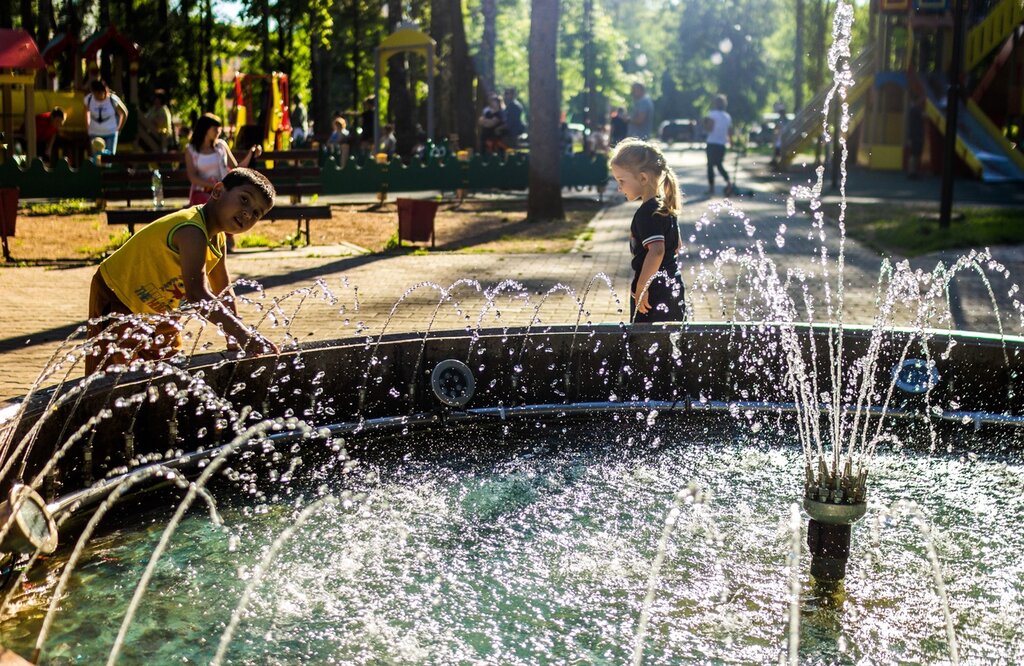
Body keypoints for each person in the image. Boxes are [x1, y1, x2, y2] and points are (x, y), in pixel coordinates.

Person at [86, 168, 279, 373]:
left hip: (160, 313)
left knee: (169, 372)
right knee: (110, 377)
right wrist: (243, 335)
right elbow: (197, 294)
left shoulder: (217, 239)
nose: (247, 213)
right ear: (218, 191)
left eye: (256, 213)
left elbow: (223, 291)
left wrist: (233, 335)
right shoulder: (191, 229)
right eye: (244, 200)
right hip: (118, 295)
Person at [609, 138, 686, 324]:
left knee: (643, 344)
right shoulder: (664, 207)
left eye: (621, 181)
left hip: (653, 290)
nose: (619, 188)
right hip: (673, 284)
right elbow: (676, 246)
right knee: (672, 343)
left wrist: (642, 286)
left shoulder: (646, 213)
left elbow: (657, 250)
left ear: (643, 178)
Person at [185, 113, 261, 206]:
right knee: (213, 204)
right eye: (215, 128)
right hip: (201, 193)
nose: (218, 131)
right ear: (205, 129)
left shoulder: (221, 146)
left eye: (219, 128)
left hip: (222, 193)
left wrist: (251, 152)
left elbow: (236, 169)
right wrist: (214, 186)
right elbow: (193, 177)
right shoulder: (191, 149)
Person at [84, 79, 128, 156]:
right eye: (95, 94)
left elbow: (124, 113)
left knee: (109, 158)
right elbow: (86, 112)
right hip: (94, 133)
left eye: (99, 93)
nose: (97, 96)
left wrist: (119, 128)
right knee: (96, 158)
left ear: (104, 91)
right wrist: (87, 126)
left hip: (110, 133)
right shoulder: (89, 99)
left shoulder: (112, 99)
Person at [703, 94, 733, 196]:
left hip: (712, 142)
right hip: (722, 144)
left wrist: (705, 123)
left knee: (710, 165)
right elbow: (729, 132)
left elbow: (709, 129)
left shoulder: (712, 114)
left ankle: (711, 188)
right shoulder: (727, 116)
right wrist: (731, 143)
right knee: (719, 164)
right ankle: (728, 182)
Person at [905, 93, 926, 179]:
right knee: (914, 154)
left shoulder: (914, 108)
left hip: (916, 134)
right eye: (920, 99)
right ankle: (911, 172)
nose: (921, 101)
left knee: (916, 154)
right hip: (915, 135)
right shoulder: (915, 109)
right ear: (916, 100)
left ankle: (913, 172)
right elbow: (924, 115)